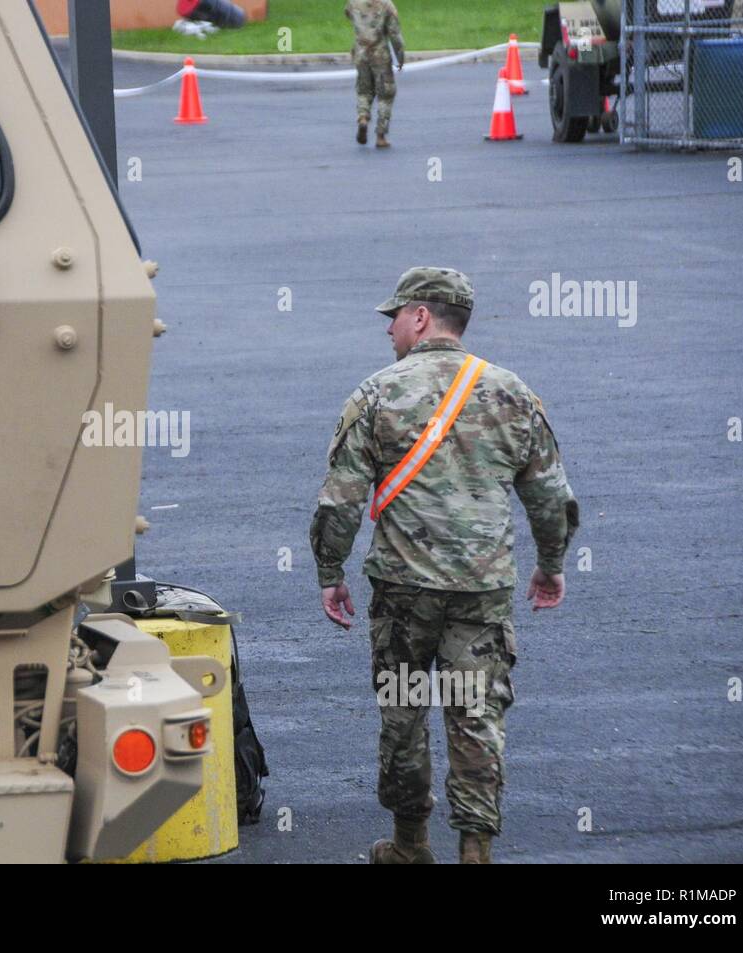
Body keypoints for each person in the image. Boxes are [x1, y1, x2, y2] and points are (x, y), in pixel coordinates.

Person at [309, 267, 579, 863]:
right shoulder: (512, 393)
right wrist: (551, 564)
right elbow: (550, 497)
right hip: (482, 590)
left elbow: (341, 500)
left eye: (395, 317)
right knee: (477, 717)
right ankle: (475, 851)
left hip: (405, 592)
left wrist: (331, 573)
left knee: (404, 712)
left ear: (422, 317)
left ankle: (409, 846)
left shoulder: (377, 394)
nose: (389, 331)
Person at [345, 0, 406, 147]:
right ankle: (381, 136)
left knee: (364, 90)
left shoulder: (353, 3)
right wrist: (400, 57)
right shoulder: (386, 5)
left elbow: (348, 14)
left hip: (360, 53)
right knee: (386, 94)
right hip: (380, 55)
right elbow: (394, 34)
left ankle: (363, 118)